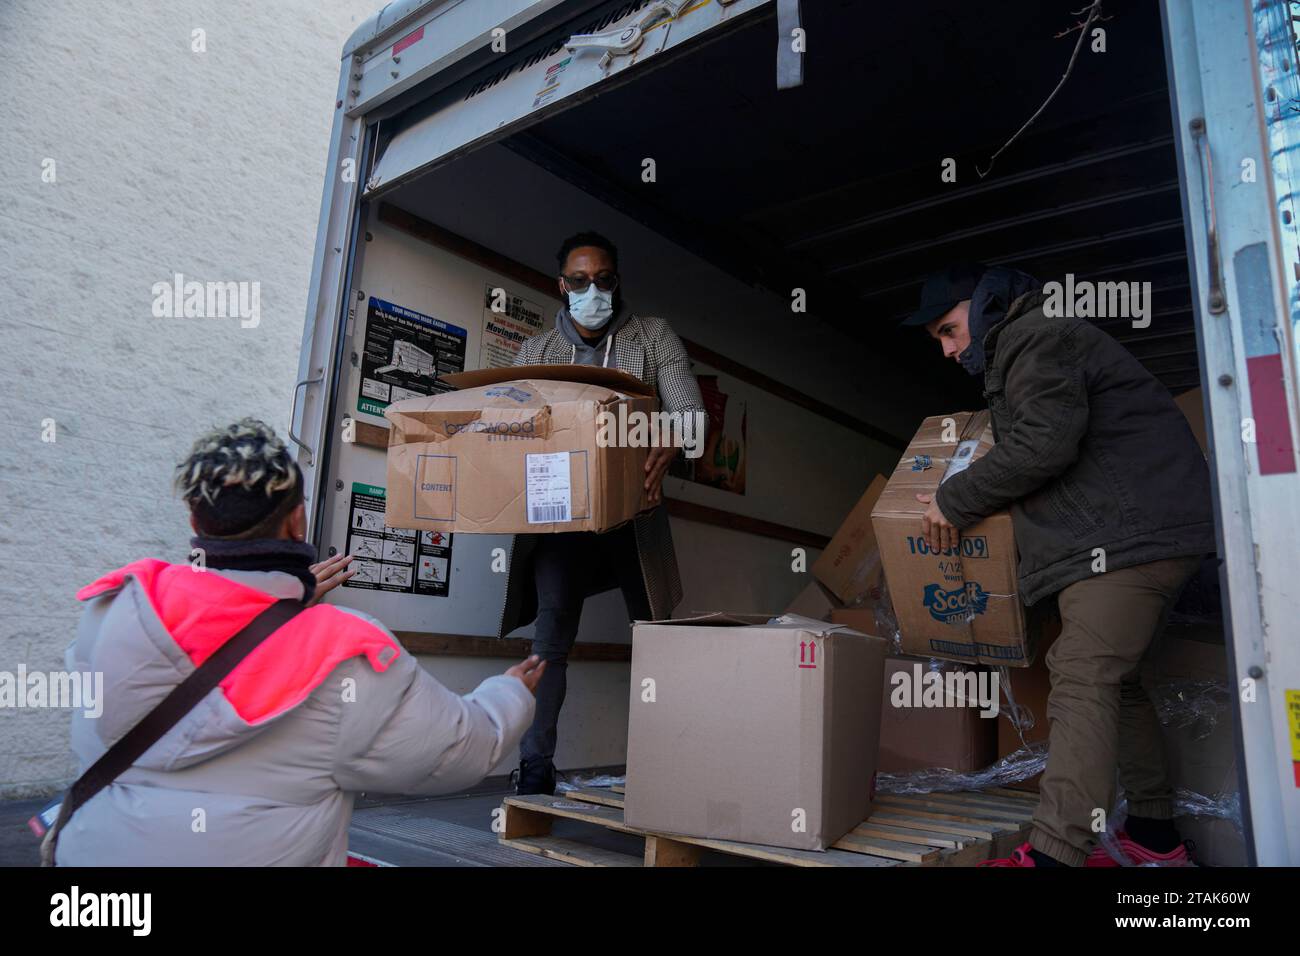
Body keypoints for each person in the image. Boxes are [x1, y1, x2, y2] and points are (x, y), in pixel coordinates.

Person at [54, 419, 544, 866]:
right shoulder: (343, 653)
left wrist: (278, 599)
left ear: (192, 520)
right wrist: (509, 694)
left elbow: (202, 628)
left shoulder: (114, 610)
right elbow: (457, 752)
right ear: (297, 521)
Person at [903, 262, 1215, 867]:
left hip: (1127, 540)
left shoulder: (1036, 334)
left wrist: (954, 498)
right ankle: (1156, 841)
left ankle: (1052, 855)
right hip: (1136, 537)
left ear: (980, 304)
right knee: (1118, 684)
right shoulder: (1031, 343)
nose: (947, 349)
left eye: (947, 329)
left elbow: (1042, 444)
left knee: (1079, 673)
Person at [503, 230, 706, 795]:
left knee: (657, 639)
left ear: (617, 281)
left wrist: (673, 436)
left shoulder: (651, 336)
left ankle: (662, 773)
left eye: (604, 279)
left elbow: (690, 416)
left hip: (634, 512)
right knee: (550, 642)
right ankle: (535, 770)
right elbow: (506, 430)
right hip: (559, 520)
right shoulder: (537, 353)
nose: (593, 289)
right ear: (560, 285)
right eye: (580, 281)